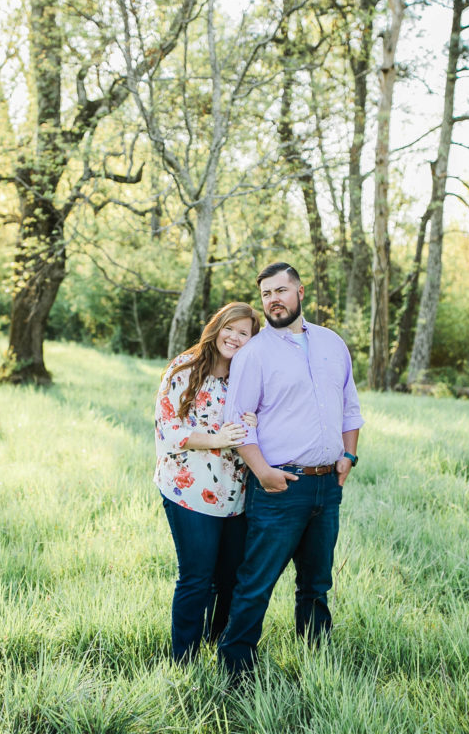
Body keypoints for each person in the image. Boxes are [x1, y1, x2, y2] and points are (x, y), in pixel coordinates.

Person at [217, 262, 364, 677]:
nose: (273, 300)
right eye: (266, 294)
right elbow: (238, 423)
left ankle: (317, 661)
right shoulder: (254, 354)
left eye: (280, 291)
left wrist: (349, 456)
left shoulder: (333, 343)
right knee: (256, 582)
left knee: (317, 584)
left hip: (327, 485)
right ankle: (235, 671)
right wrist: (263, 472)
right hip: (279, 486)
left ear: (300, 292)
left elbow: (350, 406)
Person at [154, 301, 262, 661]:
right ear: (216, 328)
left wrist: (256, 423)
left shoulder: (246, 378)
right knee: (196, 577)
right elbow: (168, 431)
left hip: (235, 495)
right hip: (189, 491)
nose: (234, 337)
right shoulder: (184, 369)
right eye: (229, 328)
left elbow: (259, 428)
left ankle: (219, 645)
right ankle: (184, 658)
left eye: (243, 333)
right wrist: (218, 438)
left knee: (230, 579)